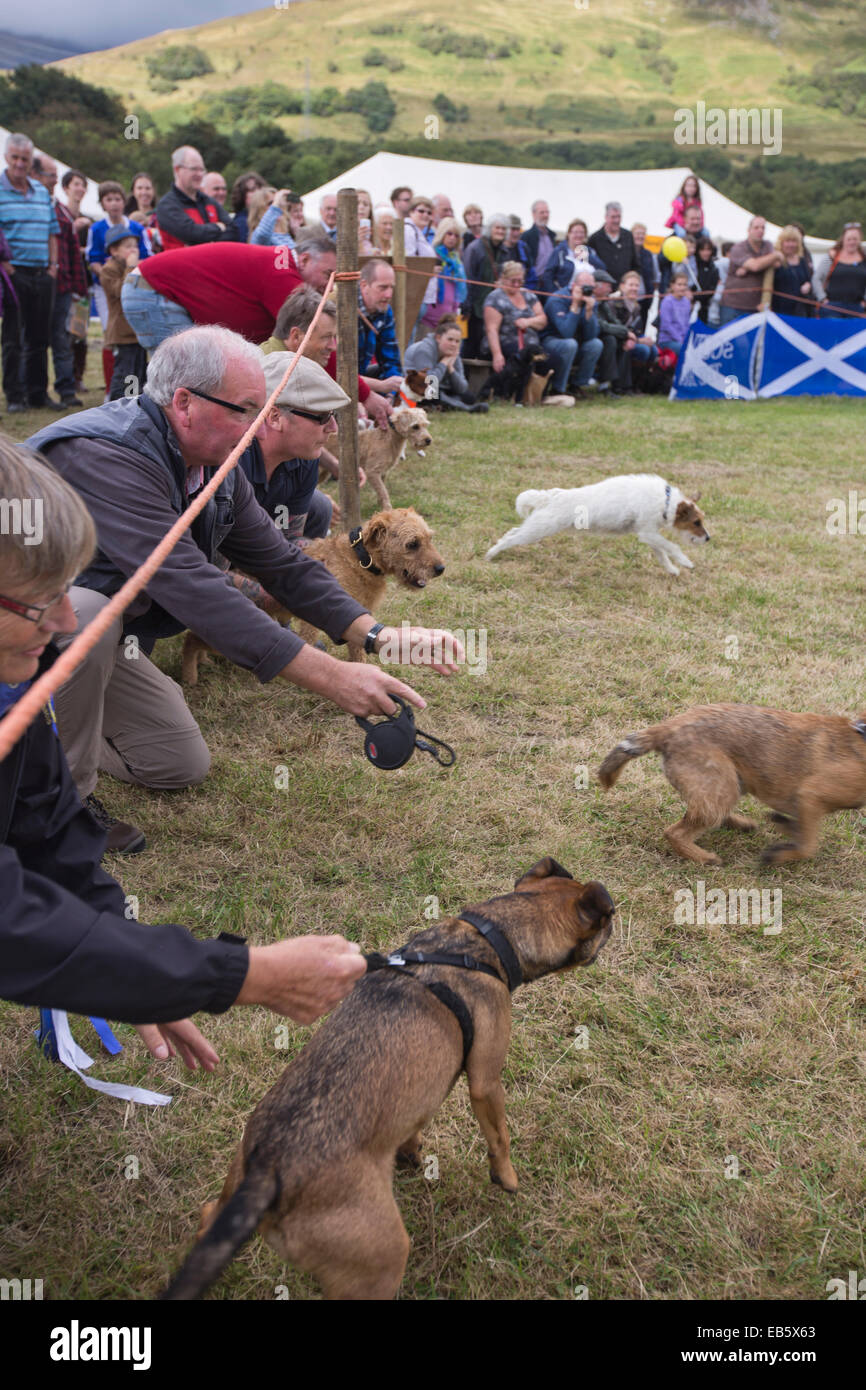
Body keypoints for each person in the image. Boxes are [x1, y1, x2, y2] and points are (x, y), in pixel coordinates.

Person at [26, 327, 463, 850]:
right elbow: (194, 588)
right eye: (245, 408)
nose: (258, 425)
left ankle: (44, 731)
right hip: (28, 622)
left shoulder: (215, 466)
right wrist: (333, 677)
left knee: (175, 762)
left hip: (87, 635)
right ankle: (57, 806)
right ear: (184, 403)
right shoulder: (110, 456)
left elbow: (284, 565)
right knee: (90, 613)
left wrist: (375, 636)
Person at [0, 436, 366, 1050]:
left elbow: (45, 829)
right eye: (41, 600)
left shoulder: (16, 677)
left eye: (68, 590)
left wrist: (134, 971)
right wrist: (236, 975)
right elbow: (13, 921)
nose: (66, 622)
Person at [120, 234, 335, 349]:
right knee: (184, 374)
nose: (329, 285)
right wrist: (362, 394)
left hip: (150, 287)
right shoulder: (282, 274)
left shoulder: (280, 264)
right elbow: (311, 338)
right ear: (305, 260)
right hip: (153, 289)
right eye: (328, 274)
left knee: (188, 378)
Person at [261, 282, 390, 431]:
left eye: (334, 337)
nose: (333, 346)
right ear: (296, 336)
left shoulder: (285, 366)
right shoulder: (274, 376)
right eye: (326, 337)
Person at [0, 133, 59, 413]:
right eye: (15, 158)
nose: (20, 164)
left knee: (40, 338)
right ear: (6, 157)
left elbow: (52, 232)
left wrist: (52, 268)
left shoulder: (41, 192)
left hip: (42, 274)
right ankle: (14, 396)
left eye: (25, 159)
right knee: (13, 338)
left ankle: (38, 394)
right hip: (13, 273)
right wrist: (7, 267)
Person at [31, 154, 85, 408]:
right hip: (35, 283)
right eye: (50, 175)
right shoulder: (31, 207)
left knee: (62, 339)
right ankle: (33, 391)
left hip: (62, 286)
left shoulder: (61, 211)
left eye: (55, 176)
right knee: (34, 339)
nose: (54, 180)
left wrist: (78, 287)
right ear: (35, 175)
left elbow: (74, 252)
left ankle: (66, 389)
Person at [482, 260, 563, 401]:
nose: (516, 285)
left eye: (520, 281)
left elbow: (542, 320)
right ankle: (510, 395)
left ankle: (538, 394)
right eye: (512, 281)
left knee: (553, 358)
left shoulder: (528, 295)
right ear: (503, 279)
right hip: (505, 342)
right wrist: (497, 354)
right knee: (518, 362)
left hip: (530, 345)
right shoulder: (495, 298)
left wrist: (528, 322)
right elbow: (491, 329)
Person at [154, 146, 236, 251]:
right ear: (178, 170)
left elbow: (233, 231)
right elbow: (191, 234)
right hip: (180, 266)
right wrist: (218, 227)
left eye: (201, 169)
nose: (199, 174)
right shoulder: (166, 206)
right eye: (194, 169)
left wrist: (203, 237)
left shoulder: (209, 201)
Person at [99, 226, 148, 401]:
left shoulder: (135, 268)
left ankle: (135, 404)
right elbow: (123, 290)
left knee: (139, 373)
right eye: (128, 246)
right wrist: (131, 268)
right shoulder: (108, 270)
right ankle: (120, 407)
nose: (133, 250)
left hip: (137, 333)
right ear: (114, 250)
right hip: (122, 333)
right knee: (126, 375)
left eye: (135, 245)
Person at [404, 314, 487, 412]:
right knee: (433, 394)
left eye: (457, 341)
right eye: (450, 339)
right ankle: (465, 408)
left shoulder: (452, 352)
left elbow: (462, 388)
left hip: (440, 388)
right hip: (417, 388)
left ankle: (445, 404)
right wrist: (444, 363)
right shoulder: (424, 350)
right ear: (438, 338)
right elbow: (429, 382)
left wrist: (451, 369)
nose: (453, 344)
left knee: (469, 397)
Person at [541, 267, 603, 398]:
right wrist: (574, 306)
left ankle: (577, 386)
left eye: (591, 288)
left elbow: (591, 335)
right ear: (574, 285)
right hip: (551, 341)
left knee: (595, 344)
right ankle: (558, 389)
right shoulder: (557, 300)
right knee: (570, 344)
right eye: (584, 288)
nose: (587, 292)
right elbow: (566, 332)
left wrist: (589, 312)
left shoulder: (590, 301)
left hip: (575, 341)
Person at [60, 168, 92, 394]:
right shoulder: (60, 216)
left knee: (79, 332)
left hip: (83, 284)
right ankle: (64, 379)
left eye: (83, 184)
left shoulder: (88, 223)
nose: (80, 188)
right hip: (63, 283)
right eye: (75, 184)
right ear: (65, 188)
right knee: (61, 334)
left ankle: (77, 377)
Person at [719, 216, 782, 324]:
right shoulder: (738, 248)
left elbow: (777, 264)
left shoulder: (767, 245)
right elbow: (755, 266)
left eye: (763, 228)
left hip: (756, 308)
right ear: (749, 230)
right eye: (756, 227)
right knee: (731, 340)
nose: (760, 231)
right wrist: (773, 256)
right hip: (733, 307)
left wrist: (748, 267)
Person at [462, 214, 508, 358]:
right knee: (470, 347)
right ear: (490, 229)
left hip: (494, 306)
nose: (500, 231)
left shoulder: (504, 251)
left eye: (503, 229)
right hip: (476, 305)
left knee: (486, 346)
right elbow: (468, 277)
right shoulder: (475, 248)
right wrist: (467, 306)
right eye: (497, 228)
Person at [357, 258, 402, 389]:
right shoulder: (344, 308)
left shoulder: (385, 311)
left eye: (391, 287)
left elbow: (391, 360)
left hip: (362, 377)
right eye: (382, 287)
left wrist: (391, 394)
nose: (388, 294)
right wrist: (379, 387)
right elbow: (336, 371)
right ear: (364, 285)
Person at [422, 216, 466, 332]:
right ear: (442, 234)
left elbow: (458, 288)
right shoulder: (431, 255)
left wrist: (455, 309)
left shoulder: (456, 260)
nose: (452, 238)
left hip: (448, 319)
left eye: (456, 236)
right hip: (428, 318)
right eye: (449, 234)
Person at [813, 223, 866, 319]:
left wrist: (864, 302)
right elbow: (816, 278)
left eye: (855, 239)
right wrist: (822, 299)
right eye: (849, 239)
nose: (852, 242)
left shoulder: (864, 257)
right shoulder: (831, 256)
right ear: (843, 240)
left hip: (857, 308)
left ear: (859, 240)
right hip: (832, 307)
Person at [540, 217, 605, 294]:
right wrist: (556, 294)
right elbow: (548, 275)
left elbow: (602, 269)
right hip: (566, 295)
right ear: (568, 234)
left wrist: (588, 257)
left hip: (589, 294)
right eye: (575, 232)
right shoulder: (560, 252)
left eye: (582, 232)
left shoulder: (590, 251)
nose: (579, 235)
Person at [588, 202, 639, 284]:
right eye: (613, 217)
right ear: (606, 217)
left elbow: (635, 263)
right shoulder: (595, 239)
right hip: (603, 288)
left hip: (624, 288)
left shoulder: (628, 236)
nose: (617, 220)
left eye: (619, 217)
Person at [771, 227, 813, 318]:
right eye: (788, 241)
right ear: (781, 242)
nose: (791, 244)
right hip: (779, 310)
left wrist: (808, 285)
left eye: (794, 241)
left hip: (800, 310)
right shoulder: (775, 259)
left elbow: (809, 279)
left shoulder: (802, 260)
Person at [518, 200, 557, 291]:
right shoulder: (526, 236)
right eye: (542, 212)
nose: (545, 215)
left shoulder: (551, 236)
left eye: (547, 212)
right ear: (534, 214)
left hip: (549, 284)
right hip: (533, 284)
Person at [657, 271, 693, 356]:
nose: (682, 287)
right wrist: (680, 340)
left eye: (684, 285)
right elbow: (666, 325)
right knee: (684, 350)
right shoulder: (667, 302)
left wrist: (686, 339)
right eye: (679, 285)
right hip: (667, 340)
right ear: (672, 286)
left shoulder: (687, 302)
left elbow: (686, 324)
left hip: (683, 339)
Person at [124, 172, 161, 252]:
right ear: (133, 191)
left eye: (148, 188)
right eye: (139, 188)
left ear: (153, 191)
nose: (144, 192)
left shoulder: (162, 215)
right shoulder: (125, 218)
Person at [229, 170, 266, 245]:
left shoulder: (267, 219)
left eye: (260, 189)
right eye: (252, 190)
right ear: (242, 196)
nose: (258, 193)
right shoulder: (241, 223)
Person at [692, 236, 720, 323]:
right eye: (702, 250)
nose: (706, 253)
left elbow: (711, 291)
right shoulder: (692, 264)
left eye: (708, 250)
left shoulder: (713, 268)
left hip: (704, 309)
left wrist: (694, 296)